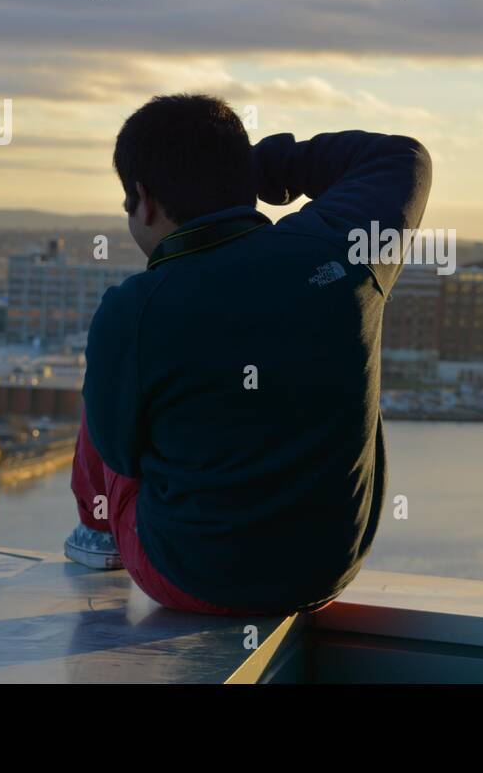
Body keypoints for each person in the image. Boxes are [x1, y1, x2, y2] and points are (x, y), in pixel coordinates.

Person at [66, 93, 432, 617]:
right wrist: (248, 169)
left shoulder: (133, 310)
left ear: (144, 200)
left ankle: (98, 534)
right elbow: (401, 158)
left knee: (115, 373)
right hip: (326, 570)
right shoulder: (341, 251)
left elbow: (121, 458)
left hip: (190, 577)